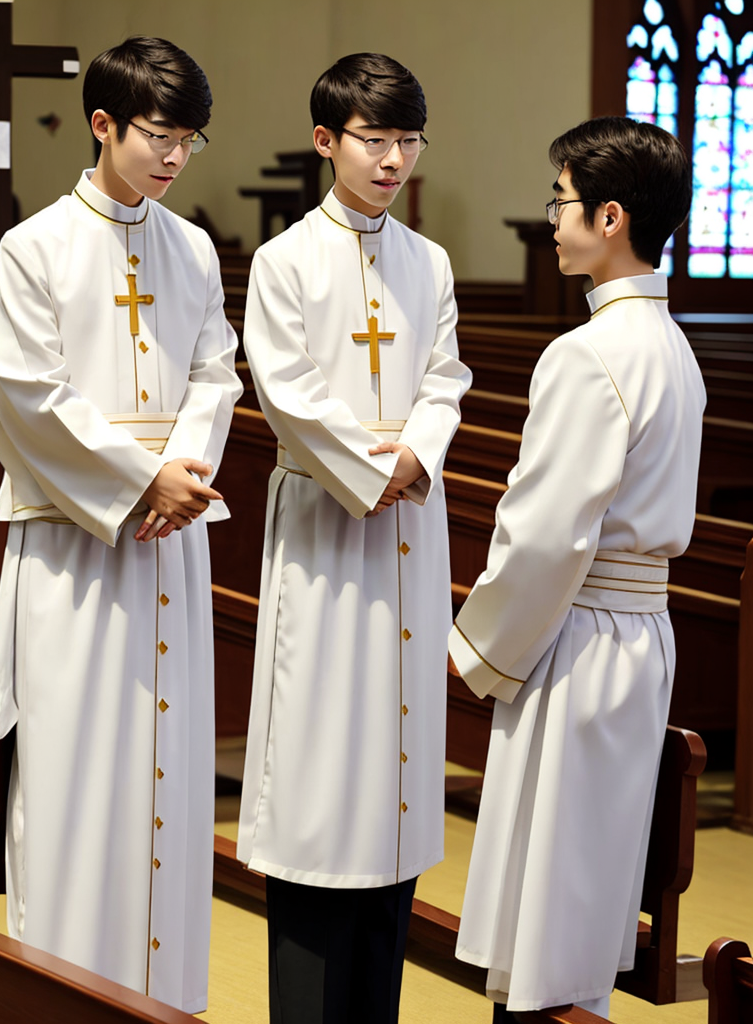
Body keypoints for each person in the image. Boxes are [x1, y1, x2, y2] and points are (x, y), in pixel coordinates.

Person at [0, 36, 241, 1012]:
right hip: (77, 548)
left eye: (188, 141)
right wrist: (140, 479)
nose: (172, 159)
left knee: (170, 782)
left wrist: (185, 473)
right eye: (156, 137)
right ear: (101, 124)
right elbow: (23, 395)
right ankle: (62, 994)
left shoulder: (193, 245)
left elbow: (217, 369)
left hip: (174, 547)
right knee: (78, 782)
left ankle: (163, 997)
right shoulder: (34, 247)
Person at [448, 116, 704, 1020]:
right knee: (584, 894)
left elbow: (547, 532)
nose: (550, 220)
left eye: (559, 202)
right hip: (640, 636)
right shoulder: (673, 346)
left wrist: (474, 646)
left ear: (610, 216)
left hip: (580, 638)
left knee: (544, 914)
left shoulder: (589, 353)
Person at [237, 53, 471, 1024]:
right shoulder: (285, 260)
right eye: (374, 141)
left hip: (410, 535)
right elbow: (284, 392)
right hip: (329, 533)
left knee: (397, 768)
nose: (393, 161)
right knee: (320, 766)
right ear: (327, 139)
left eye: (408, 141)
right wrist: (376, 469)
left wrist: (415, 453)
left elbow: (446, 375)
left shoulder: (430, 262)